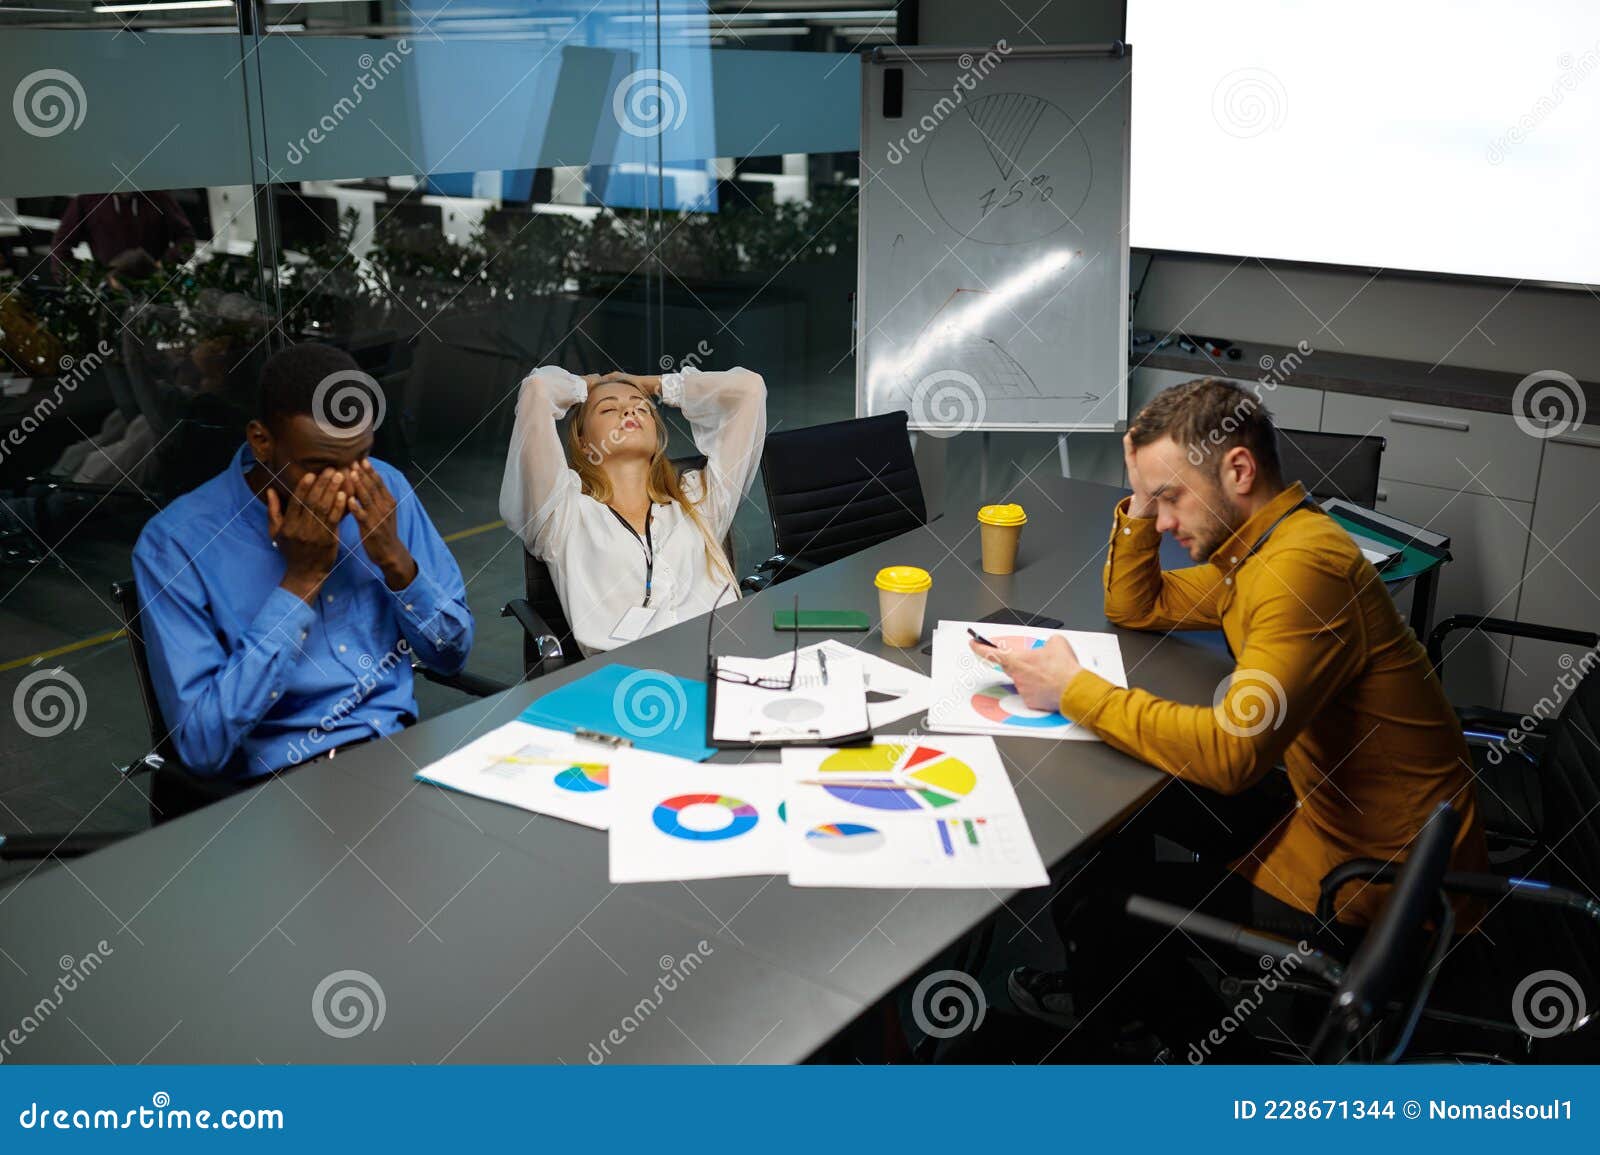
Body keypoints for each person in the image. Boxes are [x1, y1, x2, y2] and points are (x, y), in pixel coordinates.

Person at [974, 377, 1487, 1037]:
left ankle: (1192, 1044)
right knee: (1120, 807)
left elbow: (1232, 756)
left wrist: (1073, 689)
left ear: (1238, 469)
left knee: (1100, 898)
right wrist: (1139, 496)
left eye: (1169, 499)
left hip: (1374, 882)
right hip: (1332, 814)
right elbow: (1137, 605)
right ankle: (1111, 982)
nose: (1161, 523)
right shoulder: (1262, 547)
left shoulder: (1299, 571)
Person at [131, 343, 473, 809]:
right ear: (262, 441)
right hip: (275, 792)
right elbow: (202, 746)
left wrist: (396, 561)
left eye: (360, 457)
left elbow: (451, 656)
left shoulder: (385, 488)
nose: (347, 482)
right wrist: (301, 582)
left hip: (396, 761)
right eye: (319, 468)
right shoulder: (176, 544)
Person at [499, 363, 766, 655]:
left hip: (727, 661)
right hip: (632, 681)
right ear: (584, 443)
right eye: (608, 410)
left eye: (642, 408)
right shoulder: (563, 515)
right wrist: (592, 383)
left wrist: (644, 383)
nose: (629, 412)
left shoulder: (699, 501)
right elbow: (537, 391)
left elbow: (749, 389)